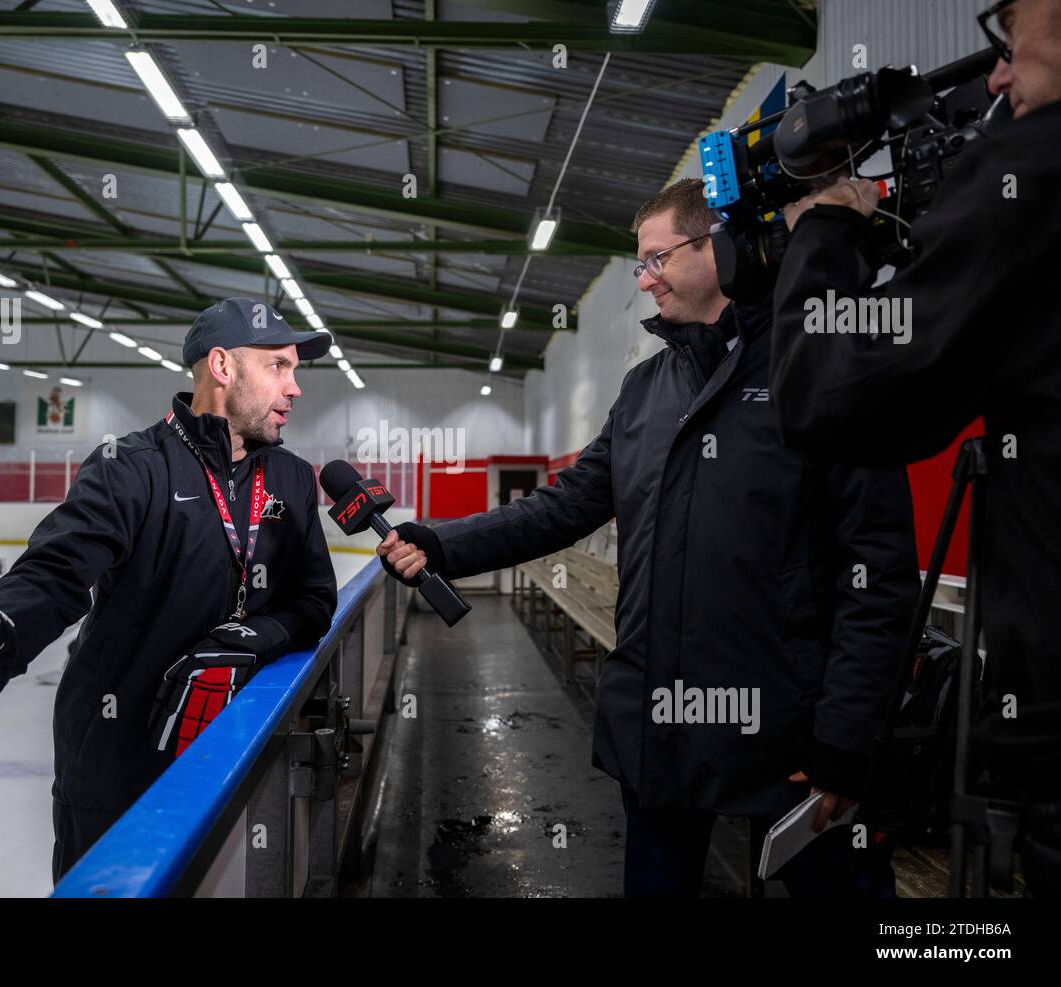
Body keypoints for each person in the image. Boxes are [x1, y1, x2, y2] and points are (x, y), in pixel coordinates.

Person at [380, 180, 920, 897]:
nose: (644, 279)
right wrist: (444, 544)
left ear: (717, 249)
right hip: (659, 731)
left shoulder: (814, 372)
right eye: (640, 263)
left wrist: (847, 737)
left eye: (656, 258)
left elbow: (878, 572)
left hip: (793, 738)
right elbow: (564, 505)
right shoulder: (644, 391)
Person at [0, 298, 338, 882]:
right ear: (222, 366)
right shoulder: (130, 467)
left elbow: (314, 599)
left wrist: (250, 638)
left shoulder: (289, 477)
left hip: (227, 737)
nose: (295, 388)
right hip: (117, 750)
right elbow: (56, 573)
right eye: (279, 367)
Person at [768, 0, 1061, 892]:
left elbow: (832, 395)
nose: (997, 78)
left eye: (1010, 46)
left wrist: (825, 229)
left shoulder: (1033, 172)